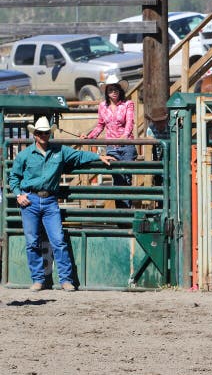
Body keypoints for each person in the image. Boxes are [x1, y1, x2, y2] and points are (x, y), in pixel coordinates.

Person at [10, 116, 115, 291]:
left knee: (58, 240)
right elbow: (14, 177)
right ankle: (38, 279)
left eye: (46, 133)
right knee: (32, 242)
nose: (43, 135)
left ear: (49, 134)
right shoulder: (25, 155)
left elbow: (79, 155)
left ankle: (66, 279)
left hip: (50, 200)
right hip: (30, 200)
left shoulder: (60, 151)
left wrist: (98, 156)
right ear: (35, 135)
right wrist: (18, 195)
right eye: (40, 133)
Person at [81, 75, 135, 208]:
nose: (114, 92)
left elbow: (130, 122)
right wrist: (90, 137)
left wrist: (124, 136)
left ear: (120, 90)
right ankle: (122, 212)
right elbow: (100, 125)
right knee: (117, 178)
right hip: (111, 146)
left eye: (116, 89)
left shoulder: (128, 104)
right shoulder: (102, 106)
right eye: (110, 89)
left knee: (127, 178)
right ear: (106, 92)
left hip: (127, 145)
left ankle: (126, 211)